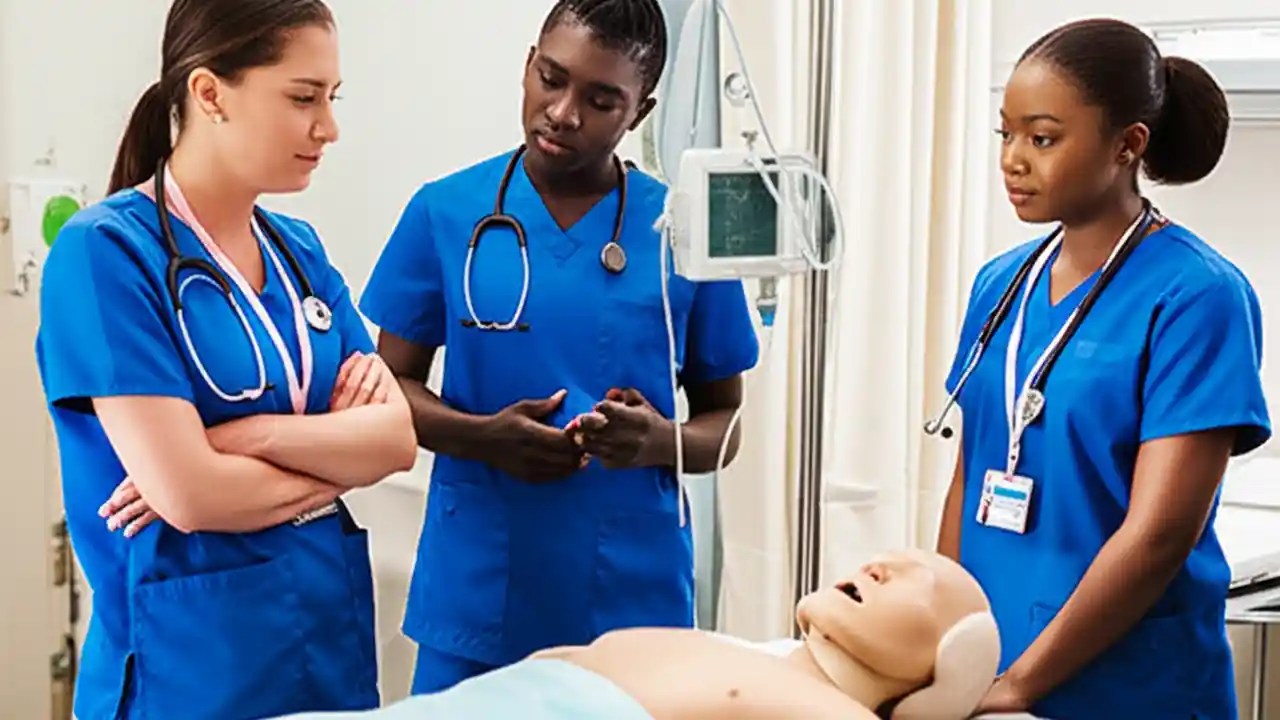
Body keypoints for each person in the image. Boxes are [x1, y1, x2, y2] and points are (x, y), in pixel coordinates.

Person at [358, 0, 760, 694]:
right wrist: (483, 437)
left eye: (601, 99)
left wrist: (658, 441)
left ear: (640, 111)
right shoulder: (444, 213)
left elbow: (726, 426)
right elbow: (390, 387)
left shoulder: (683, 232)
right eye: (552, 78)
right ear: (528, 65)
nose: (563, 112)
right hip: (479, 592)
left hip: (634, 606)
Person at [34, 1, 418, 718]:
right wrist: (333, 454)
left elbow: (395, 441)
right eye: (303, 98)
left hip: (323, 649)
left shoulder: (299, 253)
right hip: (186, 669)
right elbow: (190, 496)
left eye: (331, 99)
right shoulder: (105, 256)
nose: (328, 128)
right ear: (210, 94)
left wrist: (242, 440)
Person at [932, 17, 1272, 719]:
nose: (1013, 160)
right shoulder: (1001, 286)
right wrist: (939, 634)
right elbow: (969, 474)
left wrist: (1023, 684)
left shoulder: (1199, 295)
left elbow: (1159, 535)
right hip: (990, 663)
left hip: (1132, 684)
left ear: (1128, 145)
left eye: (1044, 137)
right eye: (1007, 134)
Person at [278, 549, 1002, 720]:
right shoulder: (744, 653)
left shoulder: (835, 714)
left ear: (943, 665)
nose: (879, 564)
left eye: (916, 581)